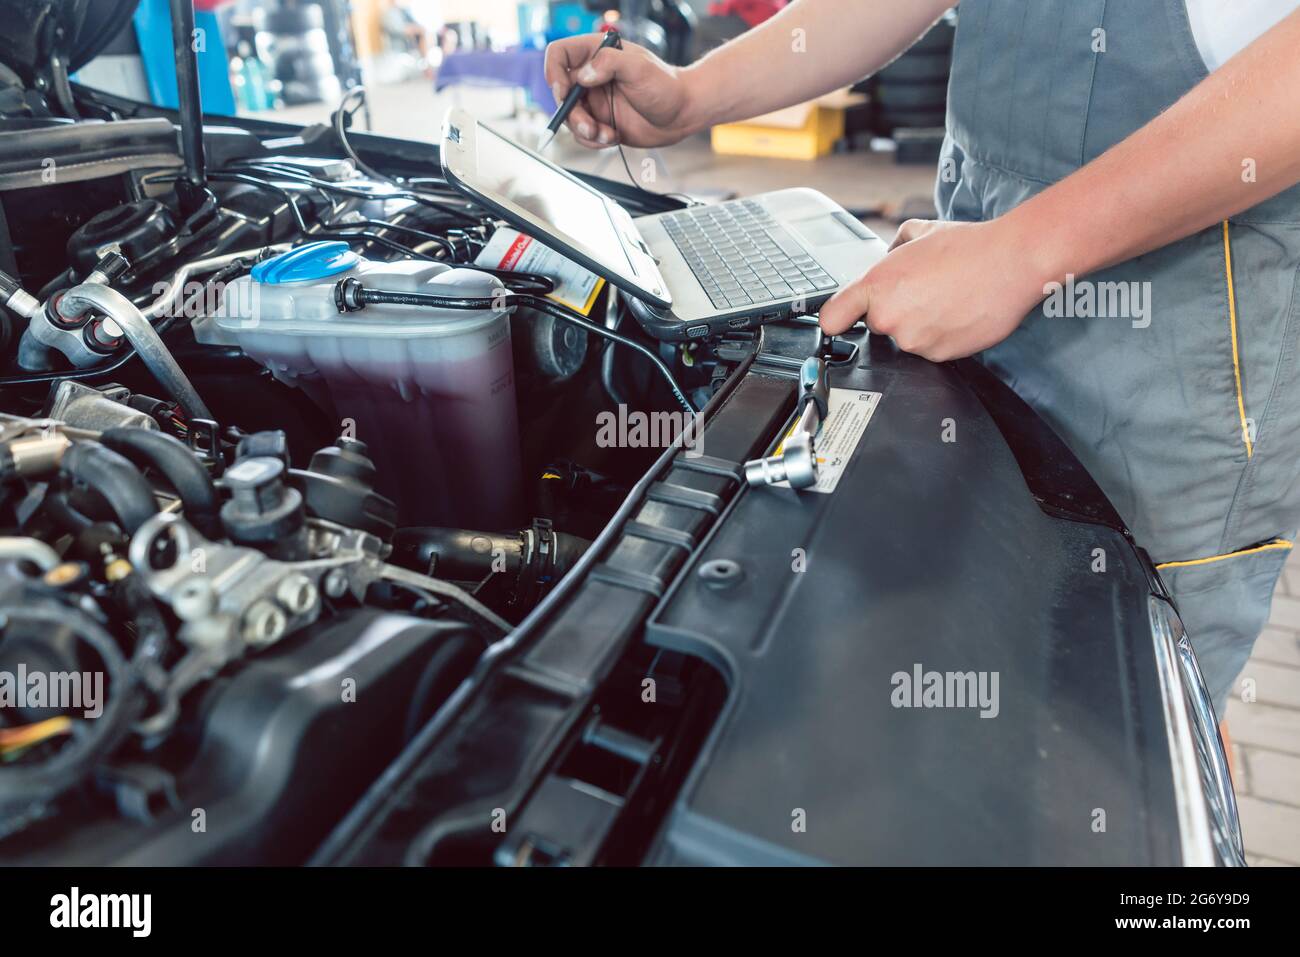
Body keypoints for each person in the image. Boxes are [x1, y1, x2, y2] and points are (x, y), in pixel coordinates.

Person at [544, 0, 1300, 716]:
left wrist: (1025, 251)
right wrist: (688, 95)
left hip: (1167, 363)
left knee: (1118, 719)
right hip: (967, 292)